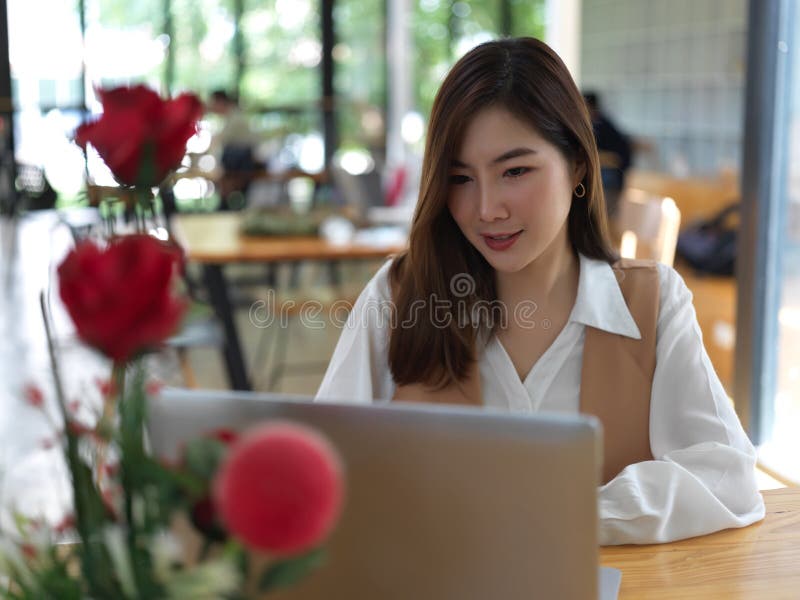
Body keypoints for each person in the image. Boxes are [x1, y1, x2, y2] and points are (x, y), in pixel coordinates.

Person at [315, 38, 764, 545]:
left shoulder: (653, 303)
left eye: (515, 171)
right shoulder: (400, 296)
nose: (486, 208)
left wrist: (562, 515)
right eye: (460, 178)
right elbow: (321, 466)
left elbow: (729, 479)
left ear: (576, 165)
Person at [582, 91, 632, 216]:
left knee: (605, 216)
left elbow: (615, 157)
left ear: (590, 106)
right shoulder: (595, 124)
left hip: (612, 177)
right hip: (609, 176)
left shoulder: (602, 125)